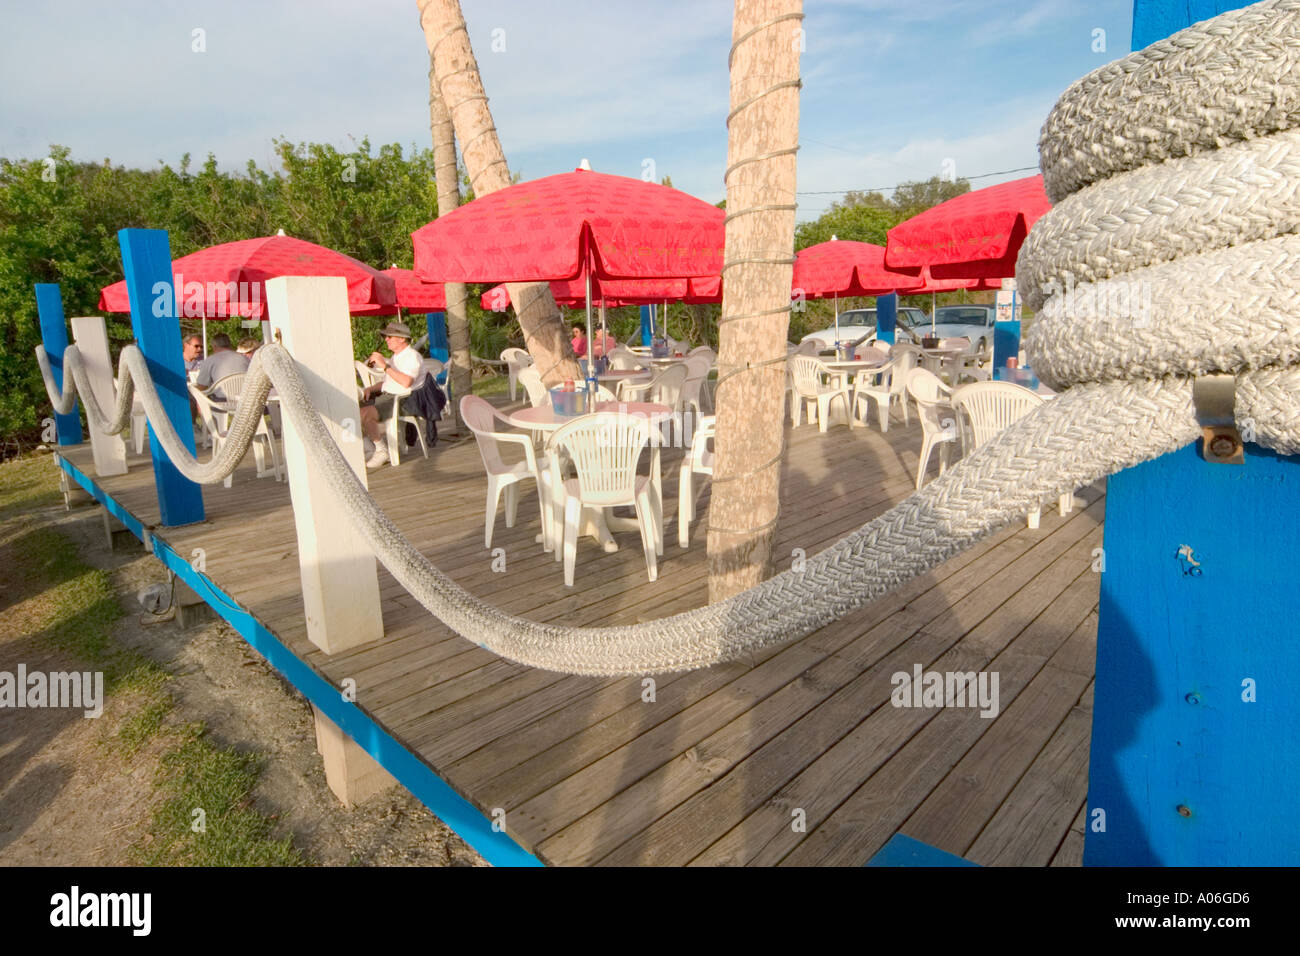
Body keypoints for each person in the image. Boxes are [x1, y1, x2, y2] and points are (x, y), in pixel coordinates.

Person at [360, 320, 427, 469]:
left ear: (402, 338)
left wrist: (384, 366)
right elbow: (388, 382)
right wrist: (371, 389)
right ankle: (371, 448)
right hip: (389, 395)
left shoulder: (411, 357)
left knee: (365, 413)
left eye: (389, 337)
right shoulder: (397, 357)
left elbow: (406, 382)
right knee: (352, 407)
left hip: (404, 400)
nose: (386, 340)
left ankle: (381, 450)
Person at [195, 333, 249, 401]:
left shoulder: (210, 360)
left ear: (214, 346)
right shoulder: (244, 359)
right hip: (245, 402)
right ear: (230, 345)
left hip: (221, 403)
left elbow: (202, 386)